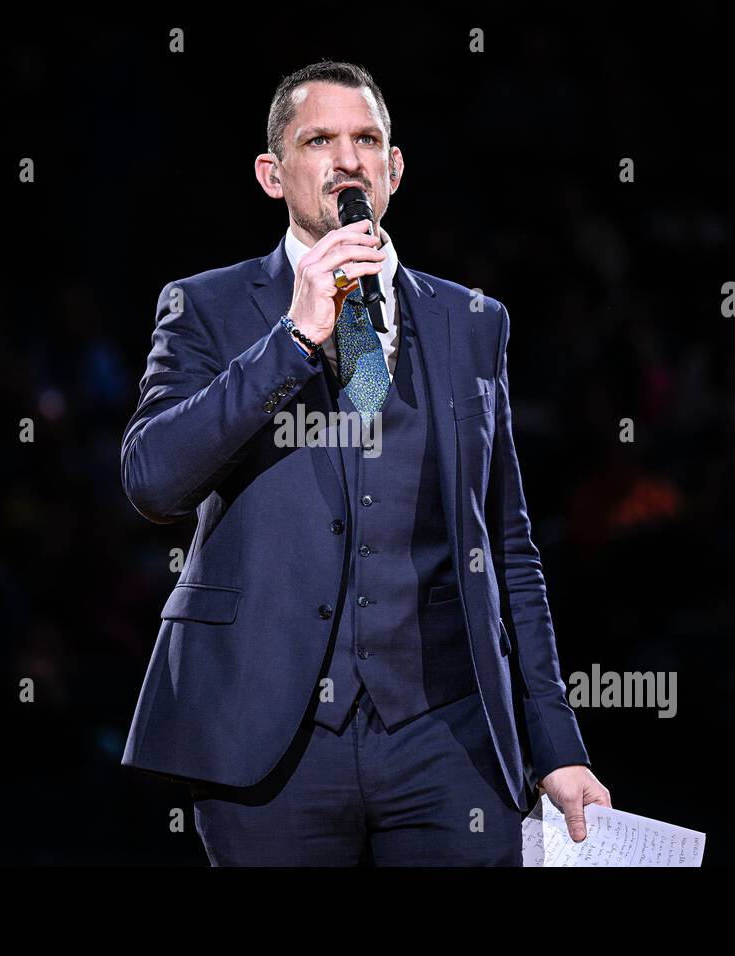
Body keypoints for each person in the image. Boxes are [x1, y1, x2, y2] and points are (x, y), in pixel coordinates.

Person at [120, 60, 610, 865]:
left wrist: (556, 740)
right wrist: (293, 338)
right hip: (270, 738)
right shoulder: (206, 306)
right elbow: (153, 482)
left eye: (367, 139)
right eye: (320, 140)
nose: (348, 159)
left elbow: (510, 544)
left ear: (394, 168)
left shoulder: (472, 320)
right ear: (272, 174)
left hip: (445, 734)